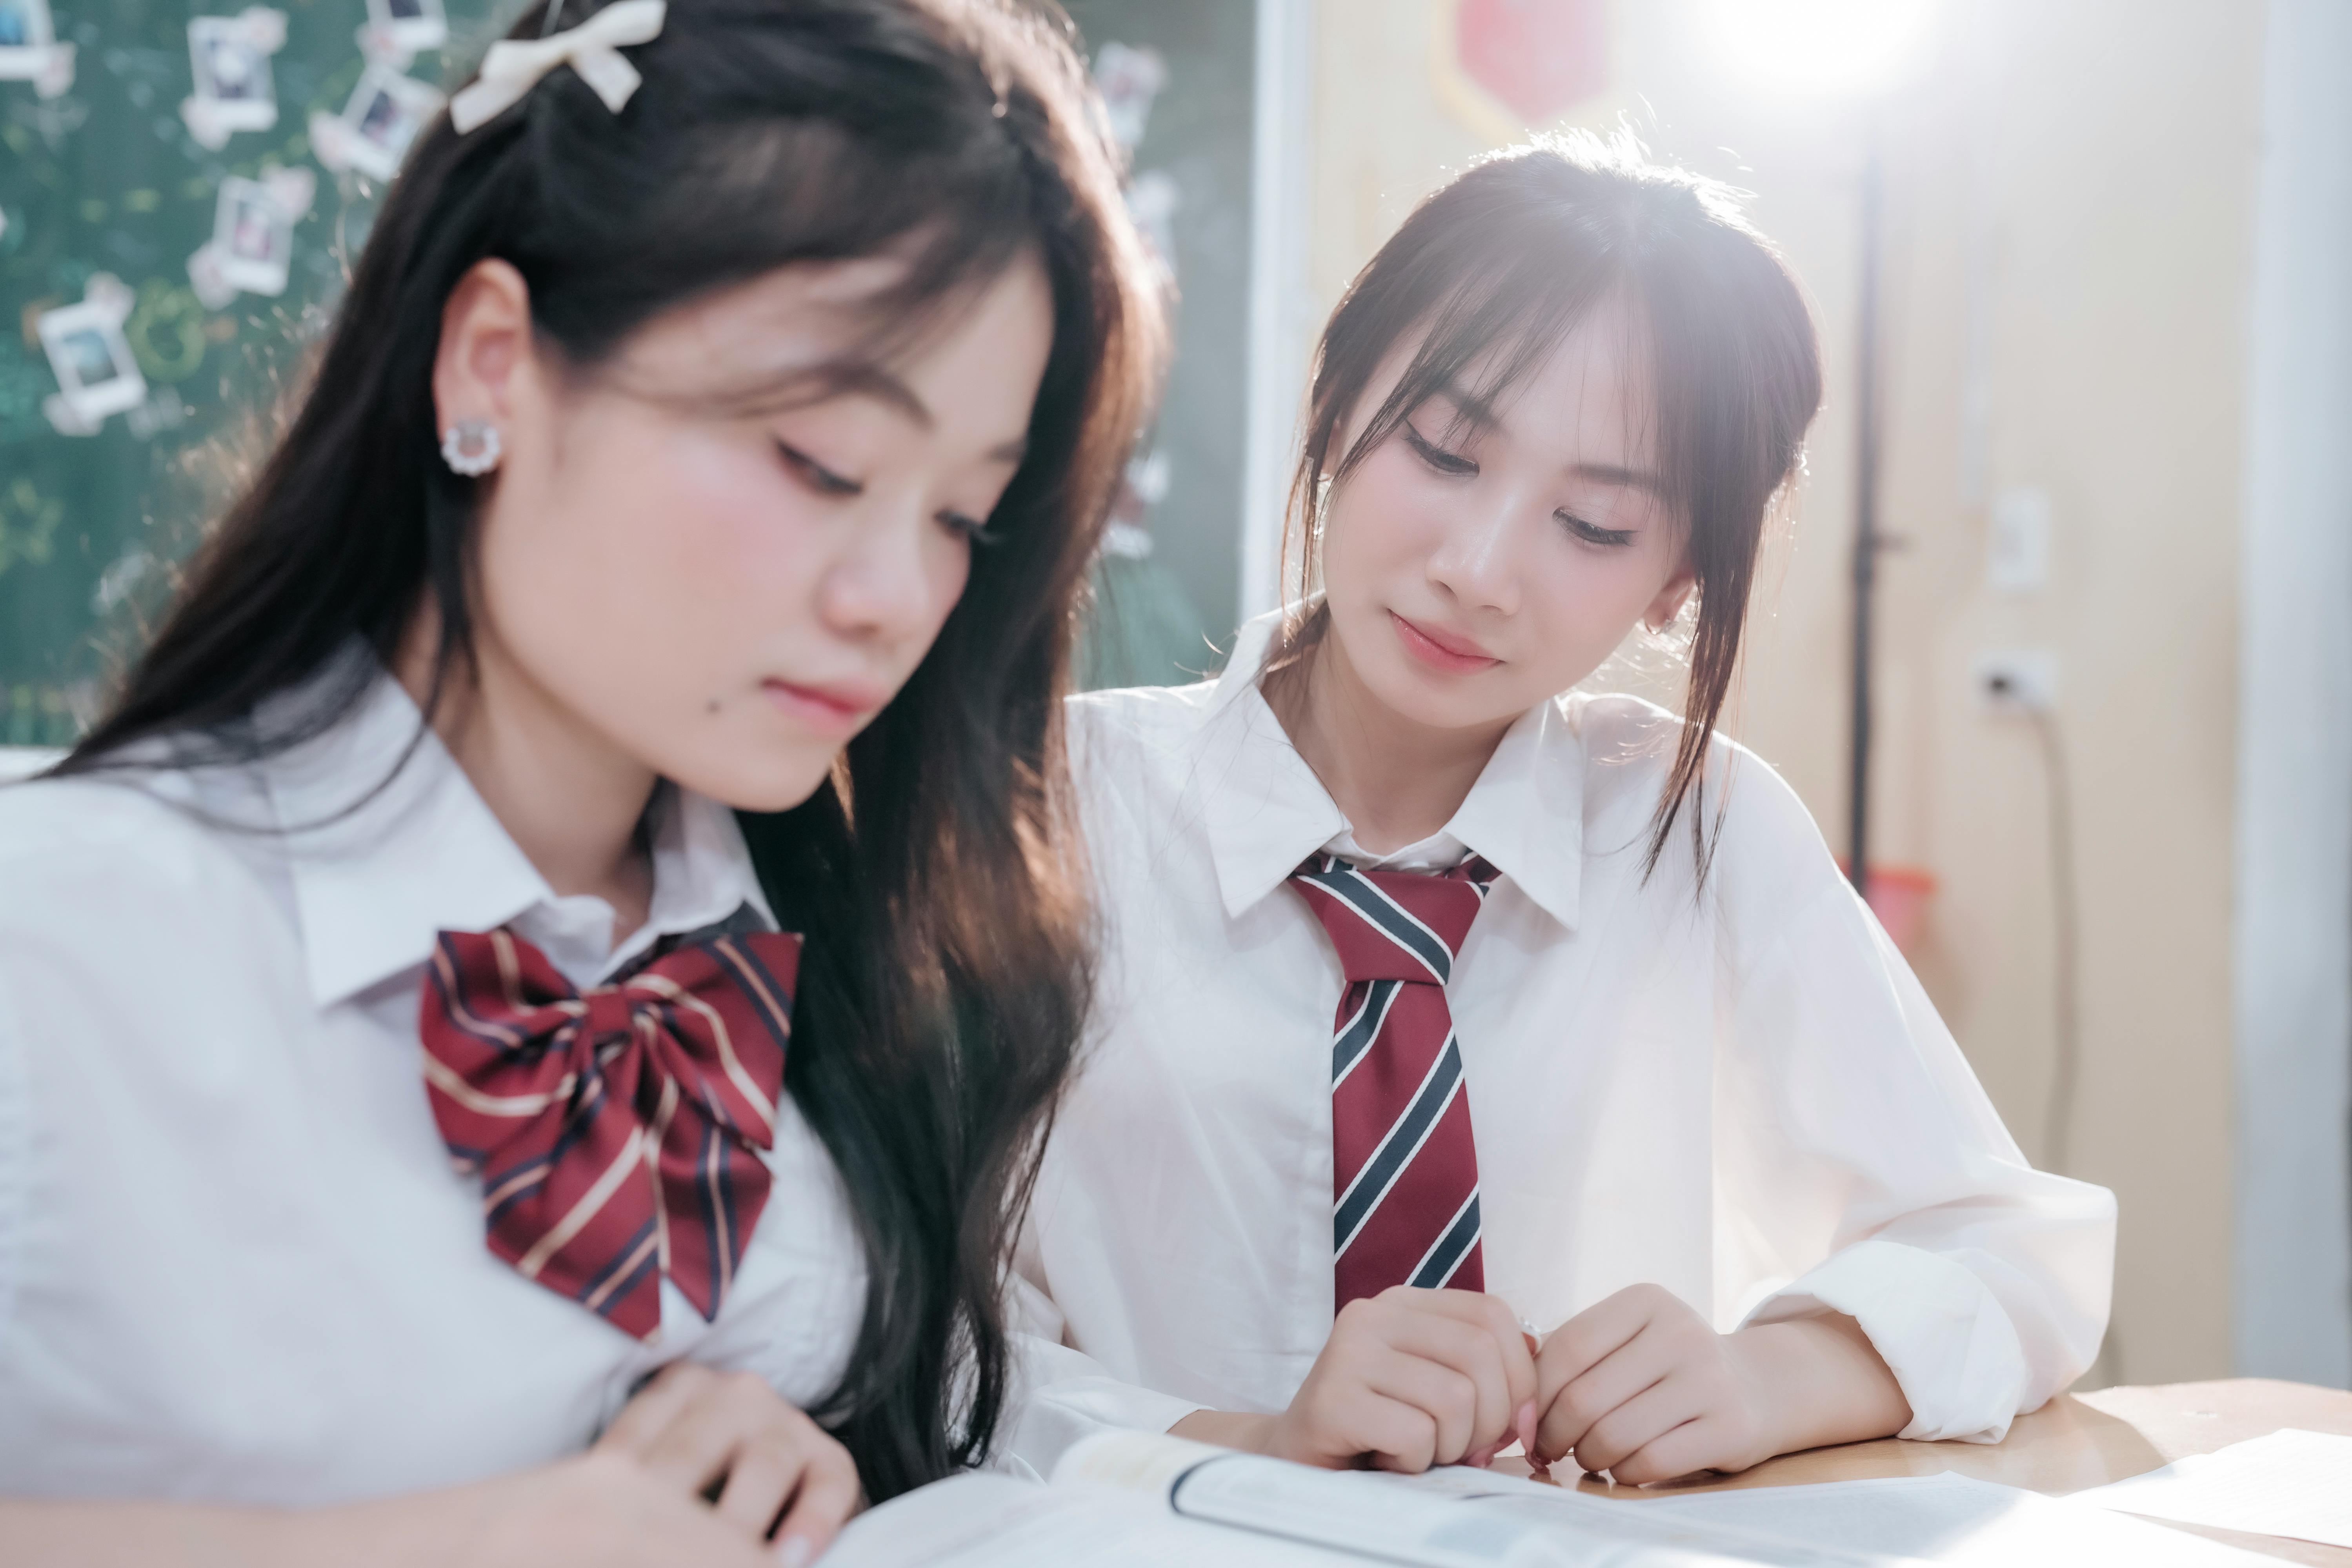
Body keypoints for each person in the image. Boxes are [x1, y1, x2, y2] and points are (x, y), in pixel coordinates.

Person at [0, 0, 1159, 1562]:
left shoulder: (820, 950)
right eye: (818, 459)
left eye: (964, 514)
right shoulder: (61, 932)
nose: (897, 592)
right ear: (493, 363)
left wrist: (788, 1454)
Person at [1005, 135, 2115, 1485]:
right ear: (1339, 401)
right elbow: (922, 1343)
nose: (1478, 572)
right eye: (1444, 450)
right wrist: (1253, 1444)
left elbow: (2019, 1257)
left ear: (1676, 582)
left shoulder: (1691, 830)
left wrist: (1774, 1372)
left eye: (1592, 526)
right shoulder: (1056, 808)